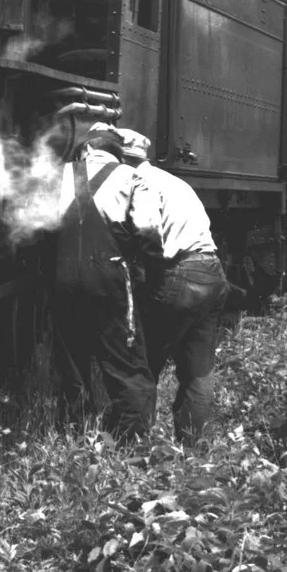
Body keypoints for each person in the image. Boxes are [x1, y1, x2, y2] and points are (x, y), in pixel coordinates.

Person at [93, 127, 230, 445]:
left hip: (178, 274)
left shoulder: (136, 183)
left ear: (122, 159)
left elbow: (148, 233)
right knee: (198, 370)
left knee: (139, 363)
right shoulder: (176, 182)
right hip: (212, 272)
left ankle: (125, 442)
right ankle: (195, 447)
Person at [48, 120, 150, 430]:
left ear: (88, 148)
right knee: (125, 362)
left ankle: (76, 434)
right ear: (116, 153)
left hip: (63, 276)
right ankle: (131, 445)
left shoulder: (58, 175)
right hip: (109, 275)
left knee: (71, 362)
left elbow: (34, 223)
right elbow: (148, 230)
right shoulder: (131, 177)